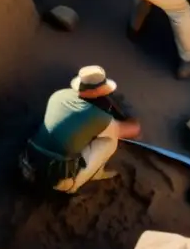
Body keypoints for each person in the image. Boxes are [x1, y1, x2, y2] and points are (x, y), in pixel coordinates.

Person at [18, 66, 141, 194]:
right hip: (54, 182)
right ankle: (92, 175)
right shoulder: (98, 117)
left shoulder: (58, 95)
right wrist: (132, 116)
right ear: (100, 91)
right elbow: (132, 130)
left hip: (27, 165)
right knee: (110, 140)